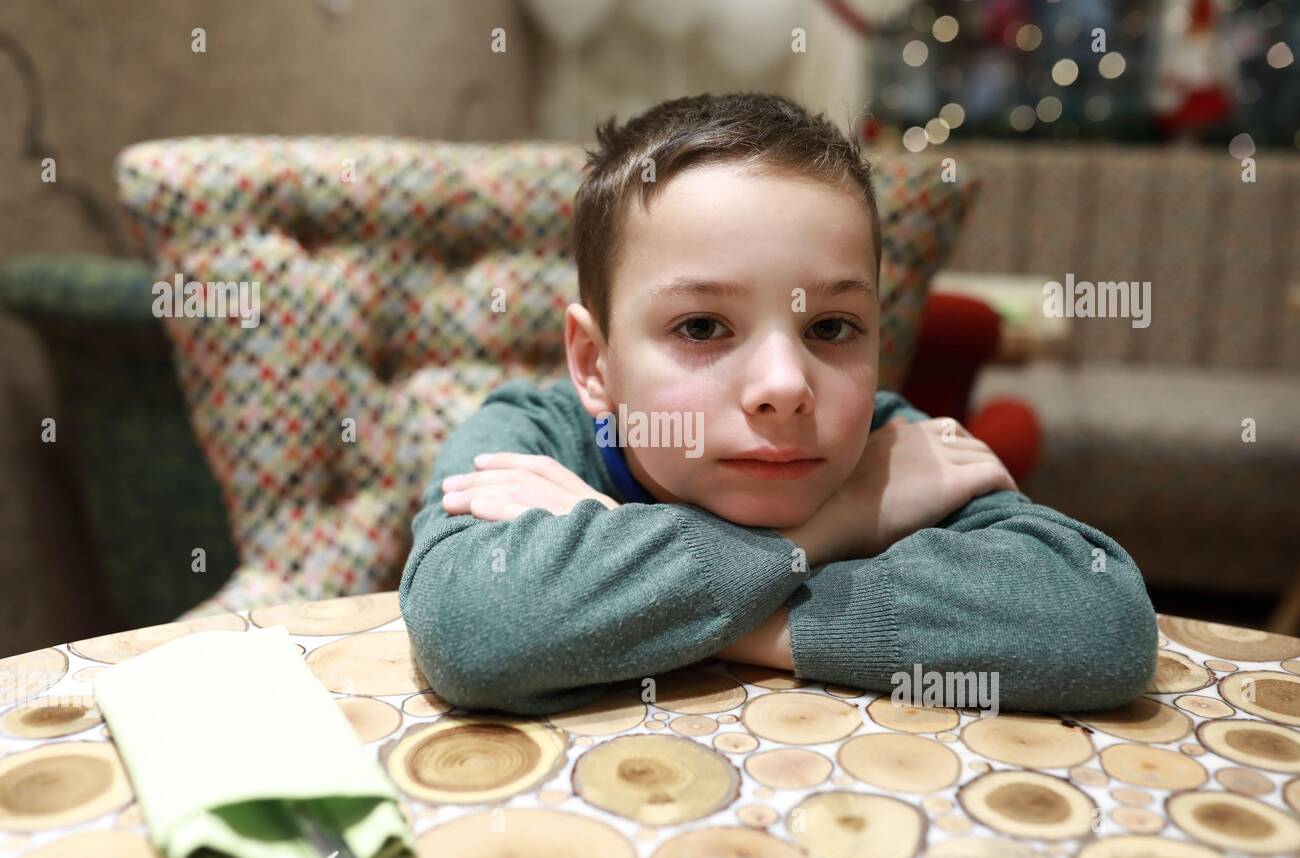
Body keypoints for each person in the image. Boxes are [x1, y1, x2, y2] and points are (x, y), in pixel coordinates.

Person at [398, 92, 1157, 716]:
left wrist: (634, 598)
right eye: (702, 327)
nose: (786, 386)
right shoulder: (528, 441)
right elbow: (477, 631)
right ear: (595, 364)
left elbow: (1100, 622)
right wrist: (841, 521)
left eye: (830, 327)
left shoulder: (893, 448)